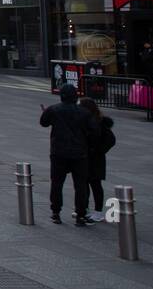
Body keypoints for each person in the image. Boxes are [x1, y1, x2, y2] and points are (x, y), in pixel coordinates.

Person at [40, 83, 100, 226]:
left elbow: (43, 123)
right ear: (76, 96)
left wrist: (45, 113)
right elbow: (94, 132)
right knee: (80, 185)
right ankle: (80, 214)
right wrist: (88, 145)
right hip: (79, 153)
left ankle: (56, 213)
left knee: (57, 183)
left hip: (58, 152)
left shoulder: (54, 109)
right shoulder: (84, 112)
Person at [79, 97, 116, 222]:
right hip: (85, 157)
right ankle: (85, 208)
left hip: (95, 159)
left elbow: (110, 140)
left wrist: (97, 150)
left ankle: (98, 211)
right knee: (84, 184)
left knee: (95, 184)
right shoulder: (85, 120)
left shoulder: (99, 122)